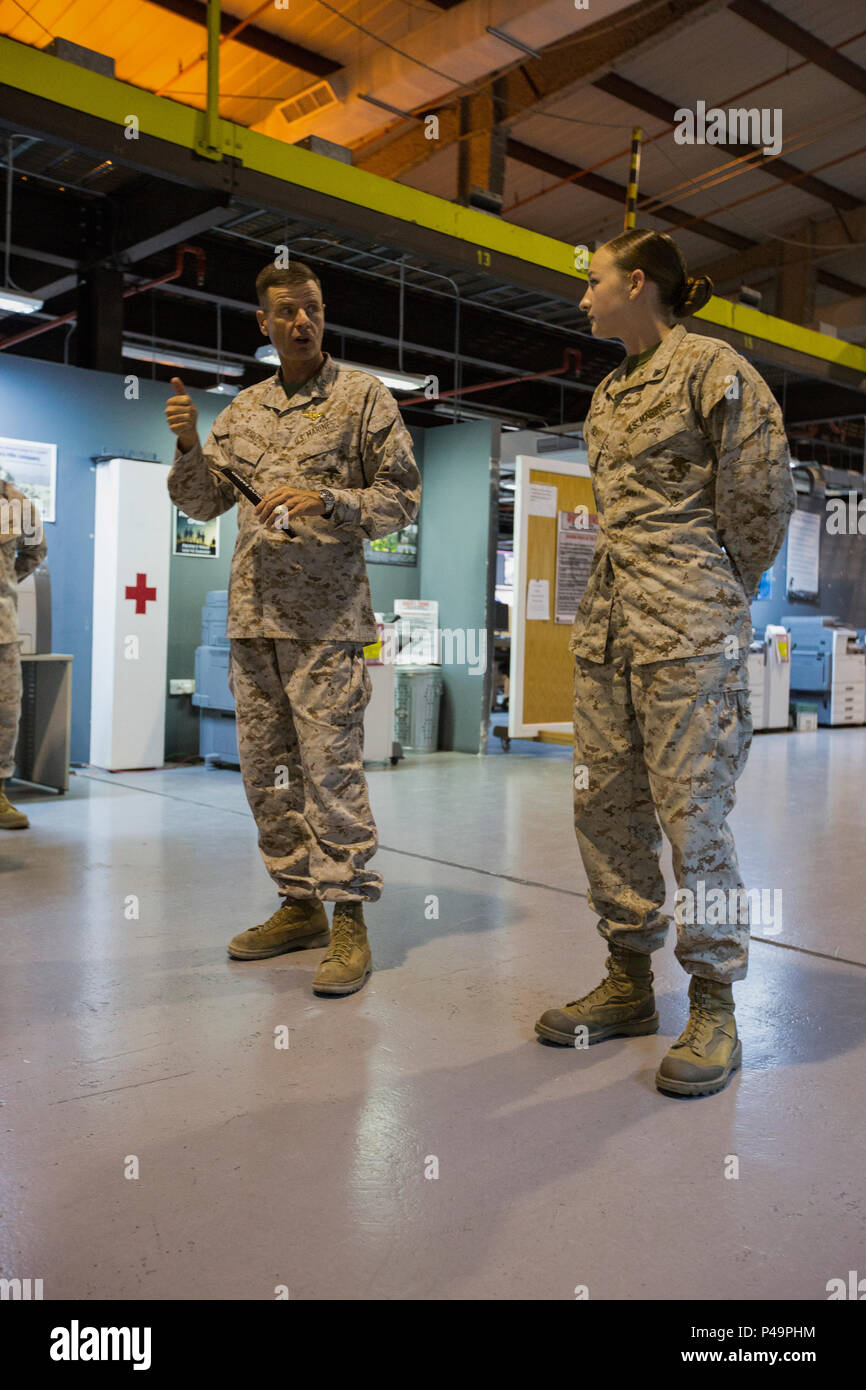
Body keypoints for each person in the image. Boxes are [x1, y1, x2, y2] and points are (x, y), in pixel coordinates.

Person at [535, 229, 796, 1097]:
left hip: (690, 632)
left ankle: (715, 1001)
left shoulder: (713, 370)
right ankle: (629, 981)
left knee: (697, 822)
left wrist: (709, 588)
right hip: (610, 632)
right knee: (605, 809)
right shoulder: (608, 393)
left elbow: (759, 504)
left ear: (637, 283)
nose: (583, 297)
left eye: (594, 280)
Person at [165, 260, 421, 996]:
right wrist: (188, 448)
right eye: (287, 312)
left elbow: (400, 499)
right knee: (267, 775)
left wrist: (327, 501)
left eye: (311, 309)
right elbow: (204, 502)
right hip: (254, 622)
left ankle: (349, 920)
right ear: (264, 323)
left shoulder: (363, 398)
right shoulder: (242, 412)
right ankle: (298, 902)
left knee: (331, 774)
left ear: (322, 311)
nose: (302, 322)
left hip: (326, 625)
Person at [0, 477, 47, 829]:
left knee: (5, 715)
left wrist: (5, 588)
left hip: (2, 629)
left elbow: (34, 553)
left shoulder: (19, 504)